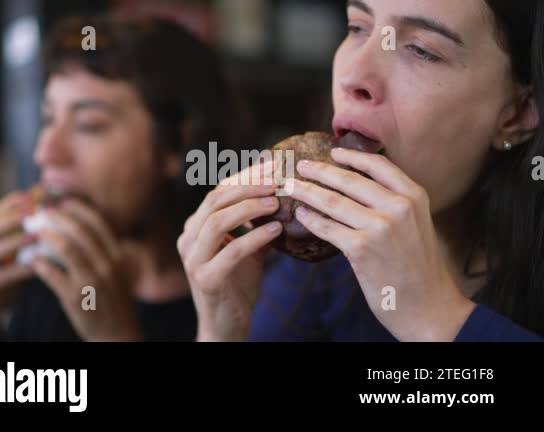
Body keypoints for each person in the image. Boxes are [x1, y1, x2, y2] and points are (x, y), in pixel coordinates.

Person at [178, 0, 544, 341]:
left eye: (422, 50)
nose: (353, 76)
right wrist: (220, 332)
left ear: (516, 113)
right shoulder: (320, 263)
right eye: (357, 28)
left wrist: (437, 323)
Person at [0, 15, 236, 341]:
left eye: (88, 124)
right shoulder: (43, 274)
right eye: (48, 118)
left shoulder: (237, 300)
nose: (45, 154)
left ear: (176, 145)